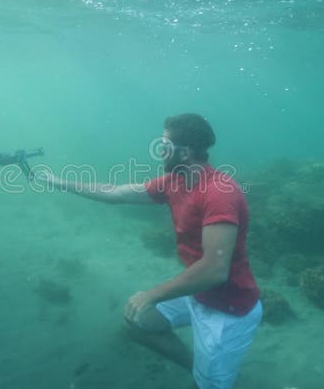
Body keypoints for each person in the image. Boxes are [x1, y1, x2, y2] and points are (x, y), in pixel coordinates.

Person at [36, 113, 261, 389]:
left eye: (163, 146)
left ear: (186, 151)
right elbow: (114, 193)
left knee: (209, 388)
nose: (160, 152)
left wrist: (153, 294)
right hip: (199, 295)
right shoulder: (174, 182)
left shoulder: (219, 193)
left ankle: (209, 378)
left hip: (230, 308)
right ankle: (201, 369)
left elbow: (215, 270)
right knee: (138, 321)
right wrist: (57, 182)